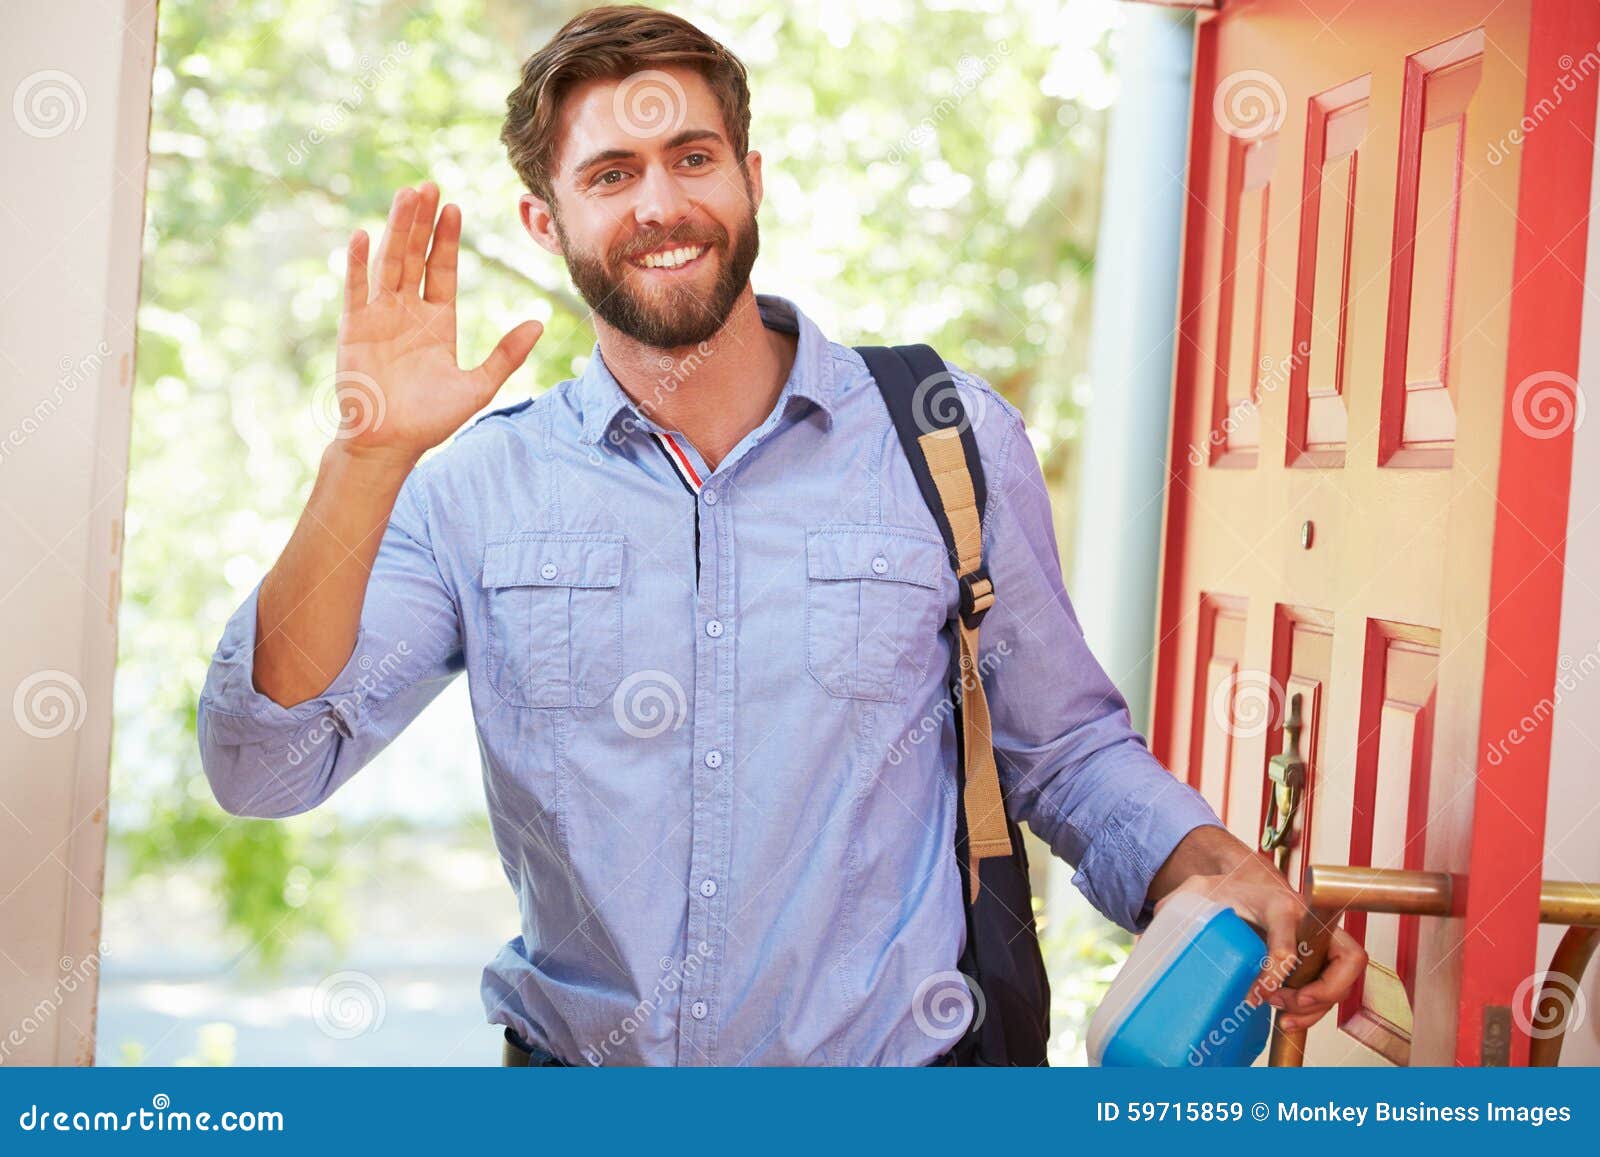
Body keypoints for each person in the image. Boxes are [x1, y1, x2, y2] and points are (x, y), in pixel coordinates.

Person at [197, 4, 1364, 1066]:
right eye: (611, 174)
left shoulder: (942, 439)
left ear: (751, 178)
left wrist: (1220, 867)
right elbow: (265, 765)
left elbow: (1062, 752)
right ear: (546, 222)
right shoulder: (474, 492)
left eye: (692, 158)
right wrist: (366, 460)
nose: (660, 204)